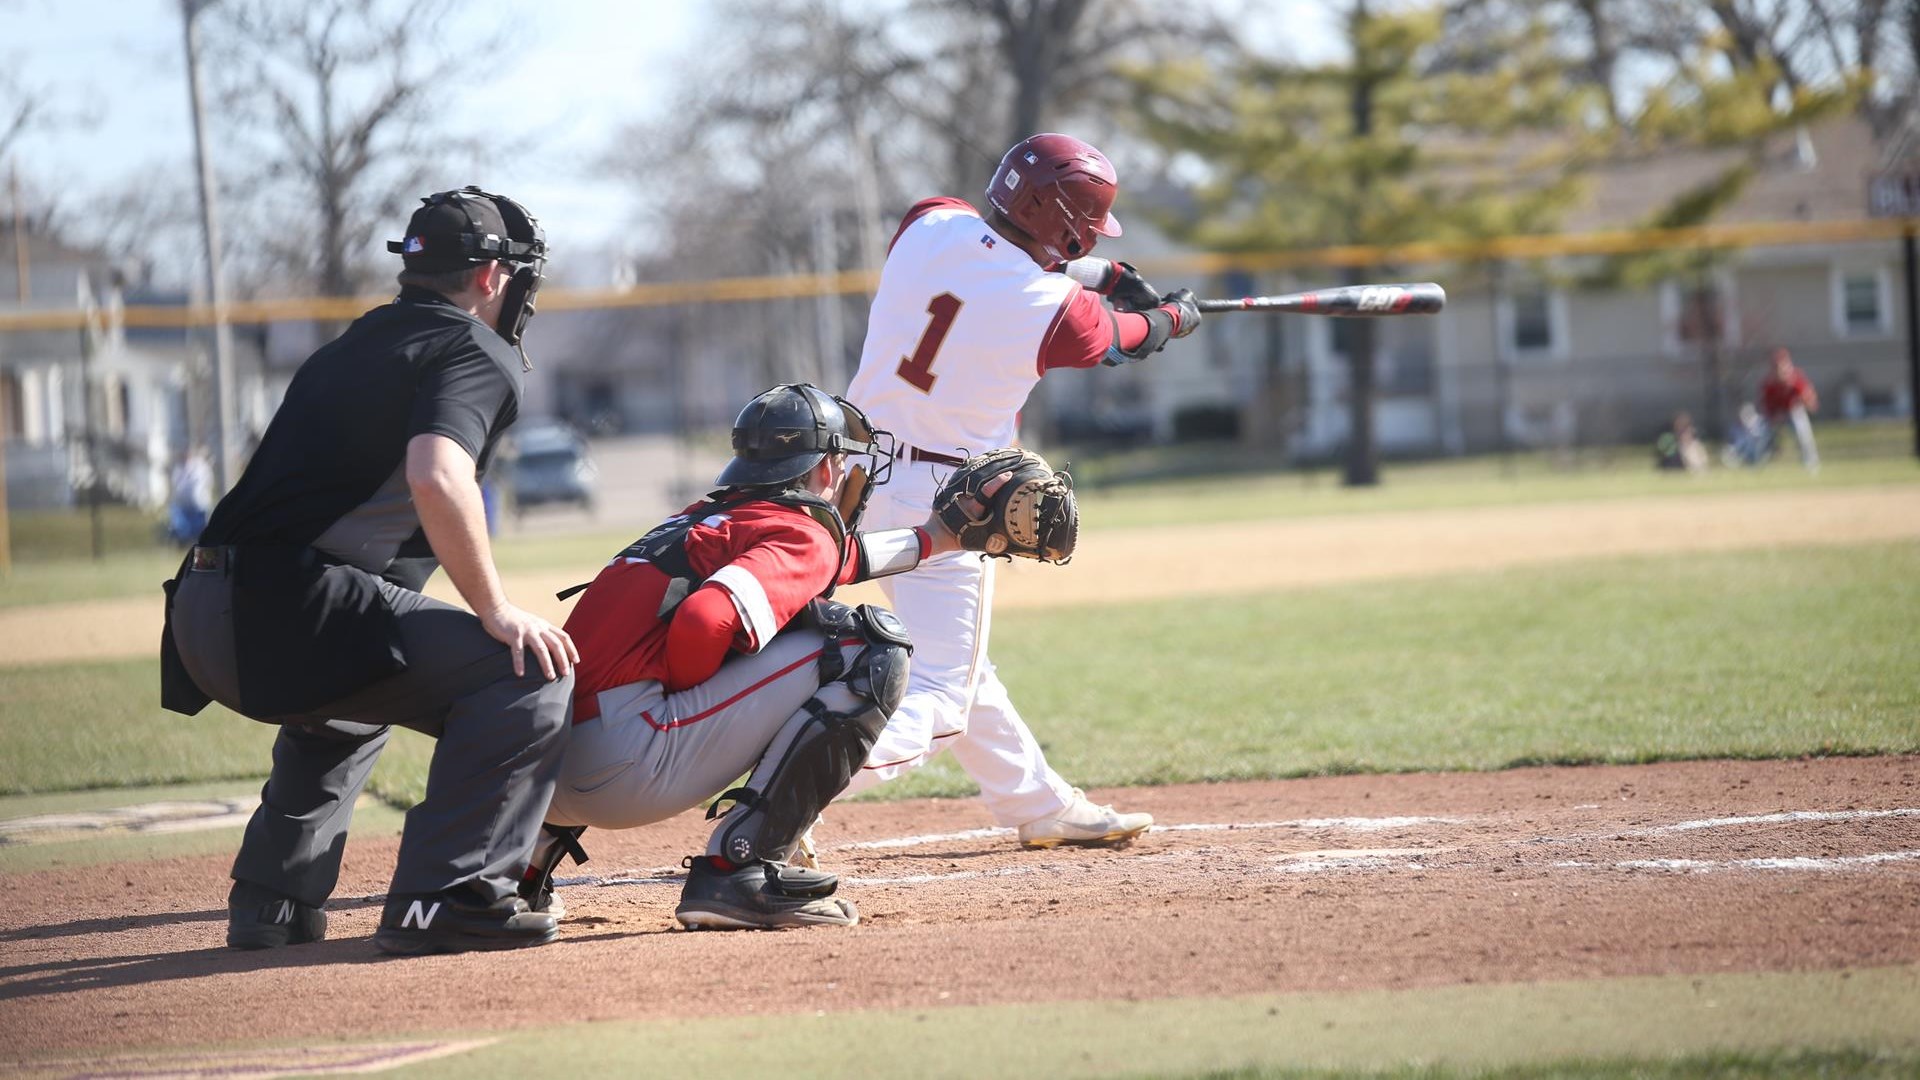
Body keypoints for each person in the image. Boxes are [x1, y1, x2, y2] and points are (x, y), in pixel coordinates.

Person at [160, 186, 578, 956]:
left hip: (199, 611)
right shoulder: (475, 347)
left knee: (354, 693)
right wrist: (495, 609)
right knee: (527, 671)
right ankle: (450, 897)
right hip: (283, 613)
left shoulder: (352, 343)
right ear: (491, 277)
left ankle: (272, 904)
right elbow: (436, 473)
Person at [828, 132, 1201, 853]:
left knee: (960, 663)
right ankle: (791, 789)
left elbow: (1000, 257)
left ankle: (1039, 805)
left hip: (849, 477)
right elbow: (1126, 337)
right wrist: (1172, 317)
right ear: (1063, 222)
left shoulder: (930, 222)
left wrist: (1103, 271)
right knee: (942, 692)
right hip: (945, 502)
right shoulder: (1050, 305)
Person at [526, 383, 960, 930]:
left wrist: (936, 537)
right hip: (624, 765)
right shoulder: (801, 531)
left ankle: (527, 869)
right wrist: (699, 682)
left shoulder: (703, 518)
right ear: (825, 468)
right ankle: (742, 867)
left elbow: (824, 563)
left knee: (763, 629)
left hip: (542, 777)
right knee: (866, 647)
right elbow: (705, 619)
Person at [1757, 347, 1819, 472]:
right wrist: (1773, 418)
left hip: (1792, 412)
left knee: (1800, 424)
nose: (1780, 370)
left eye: (1782, 366)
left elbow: (1811, 403)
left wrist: (1804, 399)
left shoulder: (1796, 380)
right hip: (1776, 415)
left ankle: (1810, 464)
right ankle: (1760, 462)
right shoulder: (1770, 384)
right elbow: (1766, 407)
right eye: (1776, 367)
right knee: (1762, 432)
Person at [166, 446, 213, 546]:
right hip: (183, 505)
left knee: (200, 525)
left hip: (199, 505)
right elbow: (177, 486)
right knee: (178, 519)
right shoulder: (179, 468)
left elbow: (206, 483)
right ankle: (182, 540)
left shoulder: (200, 466)